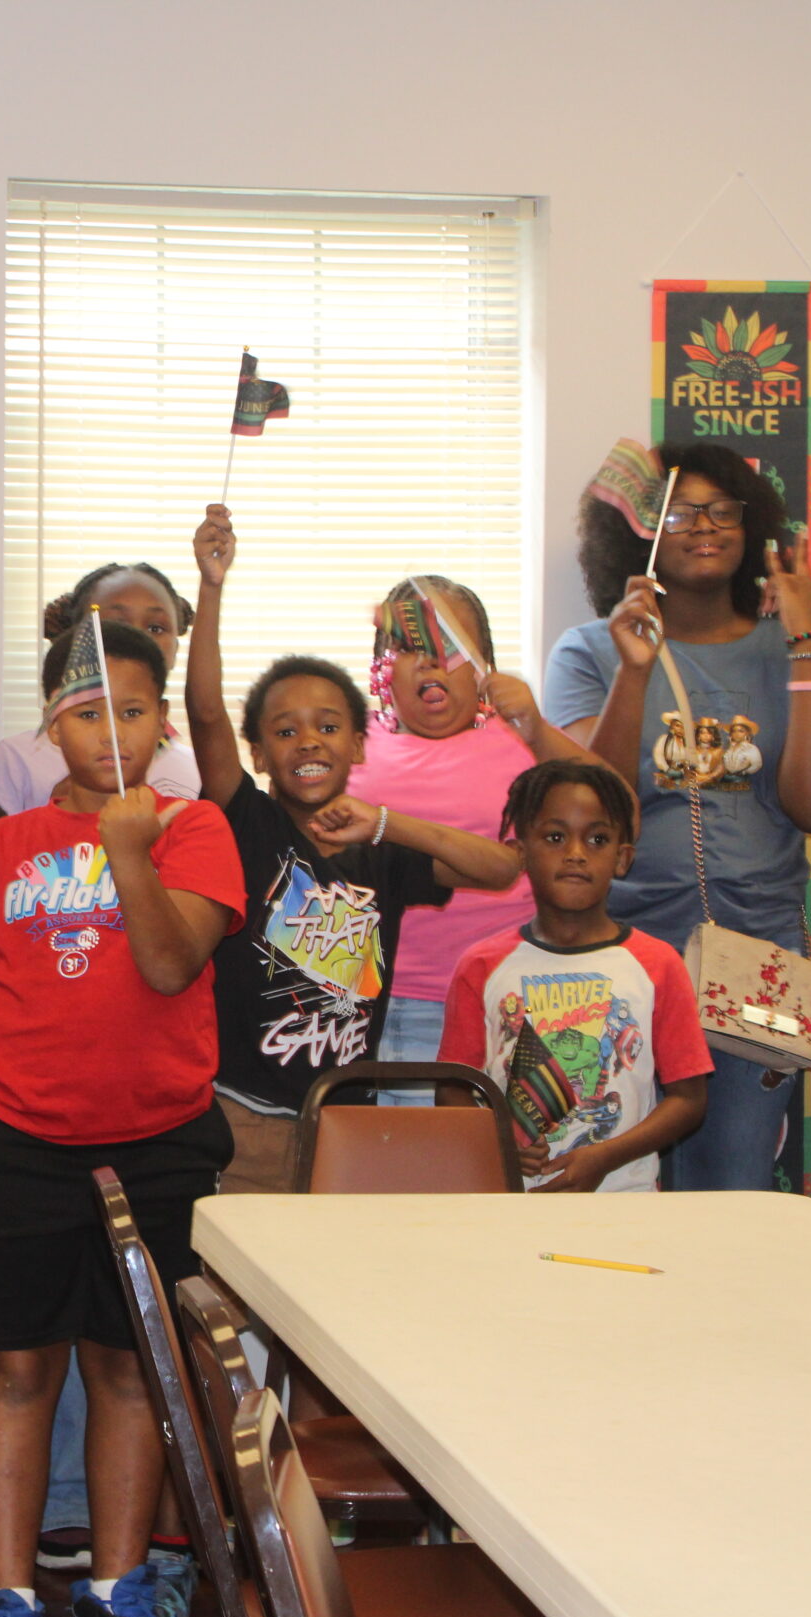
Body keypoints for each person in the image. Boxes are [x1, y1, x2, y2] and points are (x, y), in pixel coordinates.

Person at [0, 618, 244, 1617]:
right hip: (15, 1142)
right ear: (54, 722)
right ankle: (7, 1606)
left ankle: (112, 1593)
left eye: (135, 710)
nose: (113, 731)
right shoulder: (3, 848)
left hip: (156, 1143)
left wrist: (131, 850)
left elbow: (165, 961)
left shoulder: (195, 828)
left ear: (161, 723)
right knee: (13, 1371)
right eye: (90, 710)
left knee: (127, 1369)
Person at [546, 442, 811, 1191]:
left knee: (732, 1189)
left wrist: (806, 639)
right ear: (643, 530)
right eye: (681, 511)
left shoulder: (799, 650)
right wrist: (635, 670)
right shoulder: (589, 653)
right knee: (610, 1184)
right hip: (622, 955)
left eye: (723, 510)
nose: (704, 526)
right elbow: (594, 808)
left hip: (758, 962)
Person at [185, 507, 519, 1193]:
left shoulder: (380, 848)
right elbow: (207, 712)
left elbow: (501, 866)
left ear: (360, 744)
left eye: (329, 725)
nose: (309, 740)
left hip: (345, 1117)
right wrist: (211, 587)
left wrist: (387, 823)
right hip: (244, 1115)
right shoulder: (248, 820)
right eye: (286, 729)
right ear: (259, 752)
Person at [344, 556, 613, 1105]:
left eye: (449, 647)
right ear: (379, 668)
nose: (429, 665)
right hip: (379, 1006)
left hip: (513, 998)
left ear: (484, 663)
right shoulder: (347, 744)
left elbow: (616, 810)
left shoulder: (521, 742)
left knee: (500, 1173)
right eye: (410, 648)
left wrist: (536, 729)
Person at [437, 760, 712, 1189]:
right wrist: (495, 1139)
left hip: (624, 1202)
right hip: (505, 1201)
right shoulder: (481, 966)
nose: (576, 853)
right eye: (555, 837)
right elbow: (452, 1089)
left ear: (622, 859)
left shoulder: (658, 965)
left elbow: (689, 1100)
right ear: (521, 853)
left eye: (598, 839)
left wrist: (605, 1157)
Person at [0, 561, 202, 813]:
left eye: (156, 628)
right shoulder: (17, 760)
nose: (137, 639)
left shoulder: (194, 770)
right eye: (116, 625)